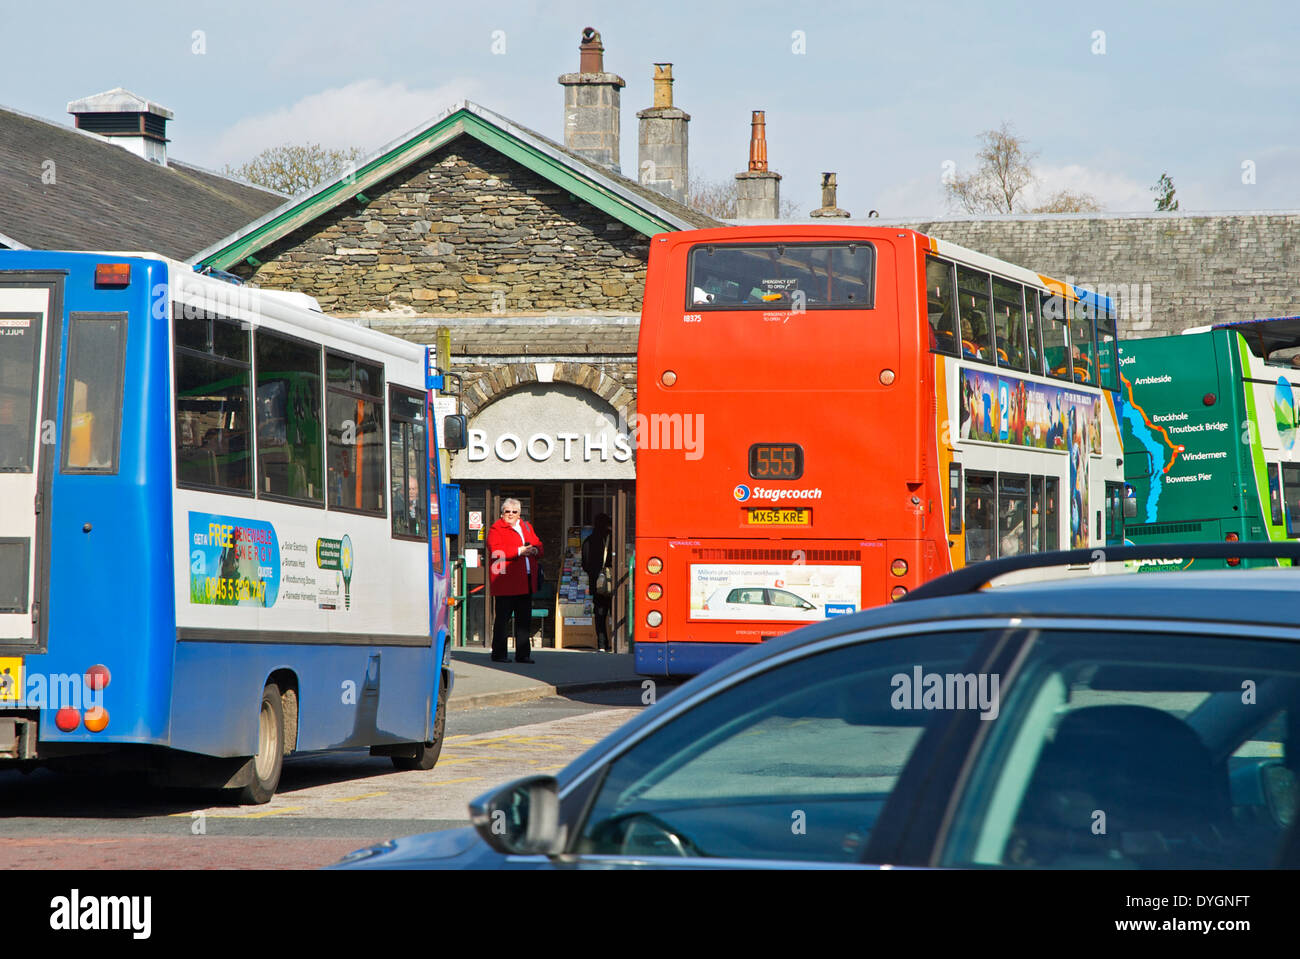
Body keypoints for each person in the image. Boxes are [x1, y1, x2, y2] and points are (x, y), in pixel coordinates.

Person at [486, 498, 544, 663]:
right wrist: (519, 551)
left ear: (519, 514)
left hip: (526, 581)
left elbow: (540, 545)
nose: (510, 514)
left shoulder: (526, 527)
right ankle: (498, 654)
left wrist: (535, 550)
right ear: (502, 513)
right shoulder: (496, 528)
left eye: (514, 512)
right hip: (505, 581)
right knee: (503, 620)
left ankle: (523, 654)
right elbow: (496, 550)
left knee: (524, 620)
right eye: (507, 511)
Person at [582, 513, 613, 652]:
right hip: (613, 581)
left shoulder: (588, 540)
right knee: (615, 612)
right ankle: (616, 642)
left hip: (597, 582)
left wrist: (594, 574)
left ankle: (601, 643)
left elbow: (585, 564)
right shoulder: (613, 539)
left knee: (600, 614)